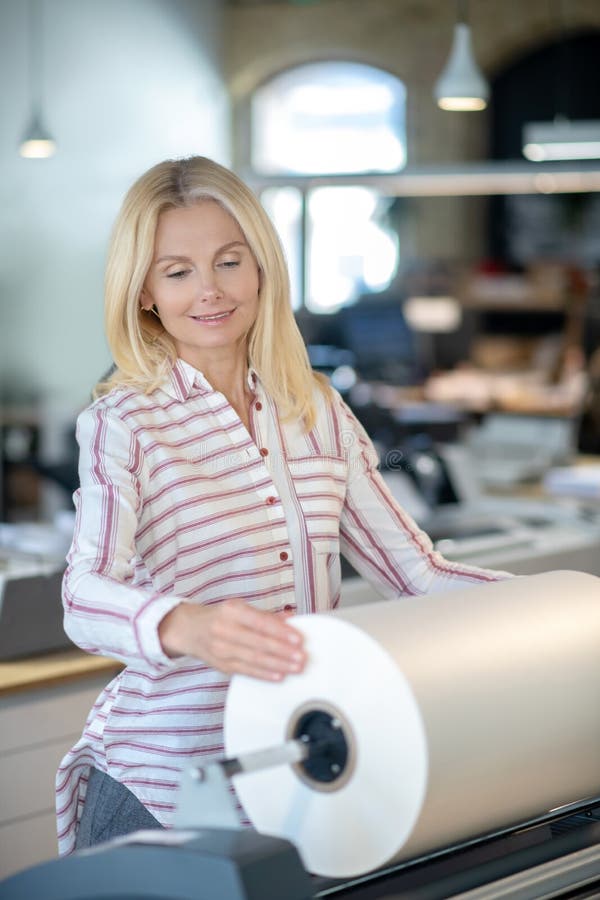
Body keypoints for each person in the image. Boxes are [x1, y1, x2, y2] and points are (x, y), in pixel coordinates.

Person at [56, 156, 509, 855]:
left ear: (262, 267)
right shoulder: (126, 423)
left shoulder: (316, 410)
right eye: (177, 272)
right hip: (167, 783)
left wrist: (559, 607)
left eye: (229, 262)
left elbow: (416, 574)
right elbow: (84, 595)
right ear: (144, 292)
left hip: (295, 768)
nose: (209, 291)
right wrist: (185, 625)